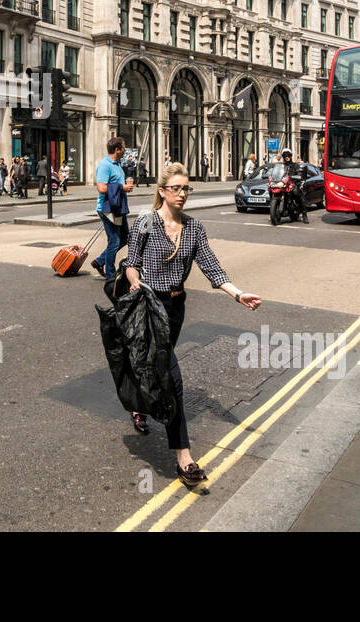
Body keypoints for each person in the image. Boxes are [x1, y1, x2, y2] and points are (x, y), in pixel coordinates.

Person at [122, 162, 263, 485]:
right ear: (162, 192)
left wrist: (237, 294)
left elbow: (212, 267)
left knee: (152, 365)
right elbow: (131, 264)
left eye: (187, 188)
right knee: (172, 380)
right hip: (149, 302)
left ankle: (138, 404)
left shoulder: (194, 229)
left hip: (175, 305)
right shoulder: (145, 224)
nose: (183, 193)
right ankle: (183, 457)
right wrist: (134, 281)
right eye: (177, 188)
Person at [92, 136, 134, 280]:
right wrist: (123, 187)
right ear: (117, 150)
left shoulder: (117, 164)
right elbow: (101, 187)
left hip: (119, 208)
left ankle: (100, 261)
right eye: (123, 148)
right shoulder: (105, 165)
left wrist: (124, 188)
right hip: (108, 209)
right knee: (114, 241)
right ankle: (110, 274)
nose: (125, 150)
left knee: (125, 238)